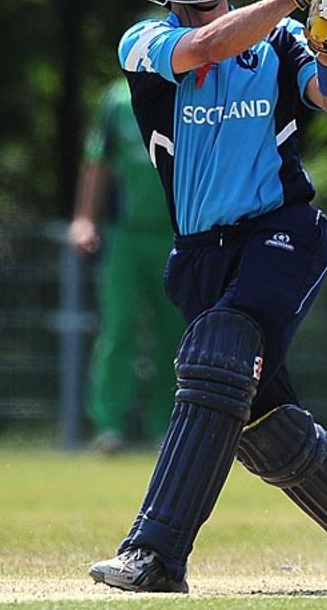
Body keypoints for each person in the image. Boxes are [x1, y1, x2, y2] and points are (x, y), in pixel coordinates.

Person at [88, 0, 327, 593]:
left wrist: (324, 40)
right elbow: (204, 51)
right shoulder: (144, 43)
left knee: (219, 353)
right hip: (199, 252)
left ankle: (156, 554)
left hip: (282, 231)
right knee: (257, 420)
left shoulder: (284, 39)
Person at [69, 77, 183, 454]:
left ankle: (166, 426)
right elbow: (96, 160)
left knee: (175, 333)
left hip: (179, 235)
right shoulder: (117, 99)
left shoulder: (190, 88)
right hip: (126, 236)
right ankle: (108, 426)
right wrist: (85, 218)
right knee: (119, 327)